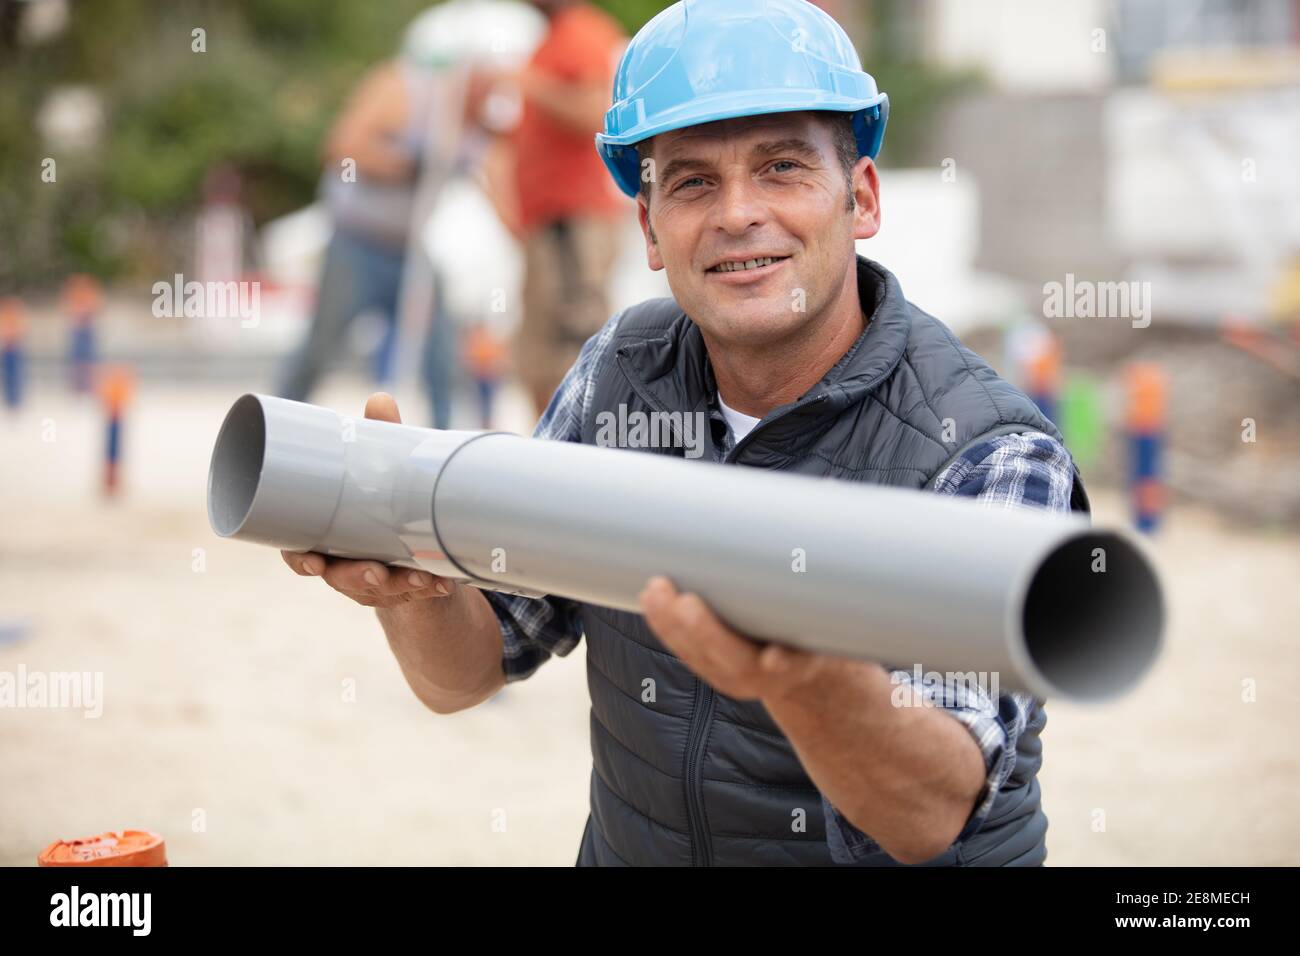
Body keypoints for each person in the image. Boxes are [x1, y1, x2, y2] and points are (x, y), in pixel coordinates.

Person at [281, 0, 1088, 867]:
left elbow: (931, 813)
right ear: (650, 228)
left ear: (860, 199)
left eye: (782, 168)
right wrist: (423, 590)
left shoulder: (990, 453)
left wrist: (801, 671)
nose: (738, 214)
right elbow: (467, 674)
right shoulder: (617, 375)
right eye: (695, 182)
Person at [509, 0, 628, 415]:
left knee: (570, 343)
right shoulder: (558, 37)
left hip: (573, 219)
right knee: (541, 350)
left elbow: (595, 112)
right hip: (553, 222)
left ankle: (574, 456)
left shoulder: (583, 33)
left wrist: (530, 84)